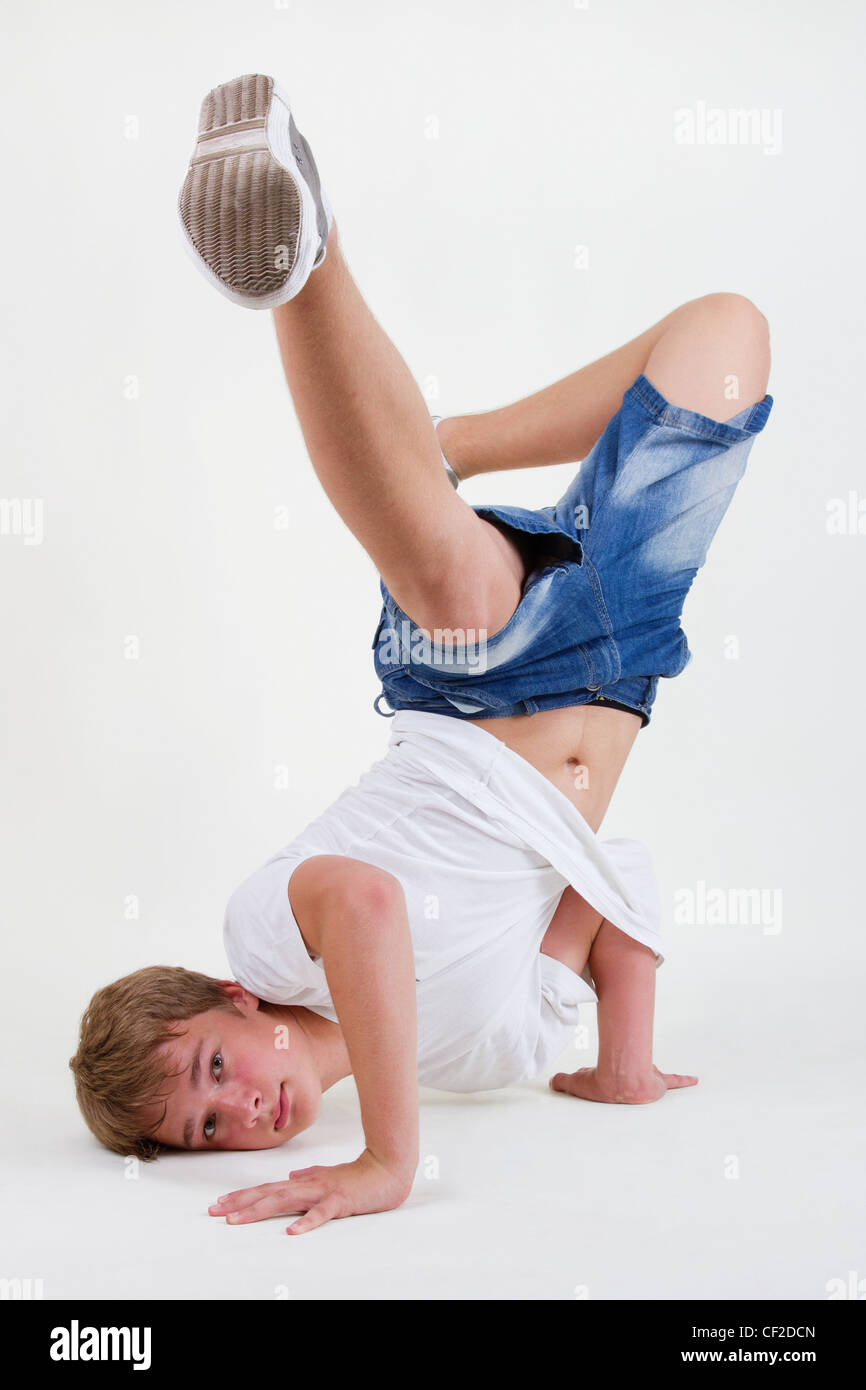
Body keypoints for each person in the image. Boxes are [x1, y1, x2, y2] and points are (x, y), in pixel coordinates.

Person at [70, 73, 773, 1236]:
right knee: (728, 335)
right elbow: (609, 906)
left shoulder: (270, 934)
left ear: (236, 1000)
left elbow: (365, 901)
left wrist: (387, 1159)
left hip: (468, 694)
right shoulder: (473, 1055)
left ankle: (302, 247)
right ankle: (453, 444)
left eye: (209, 1068)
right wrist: (621, 1065)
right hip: (621, 662)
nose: (241, 1106)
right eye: (206, 1127)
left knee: (450, 583)